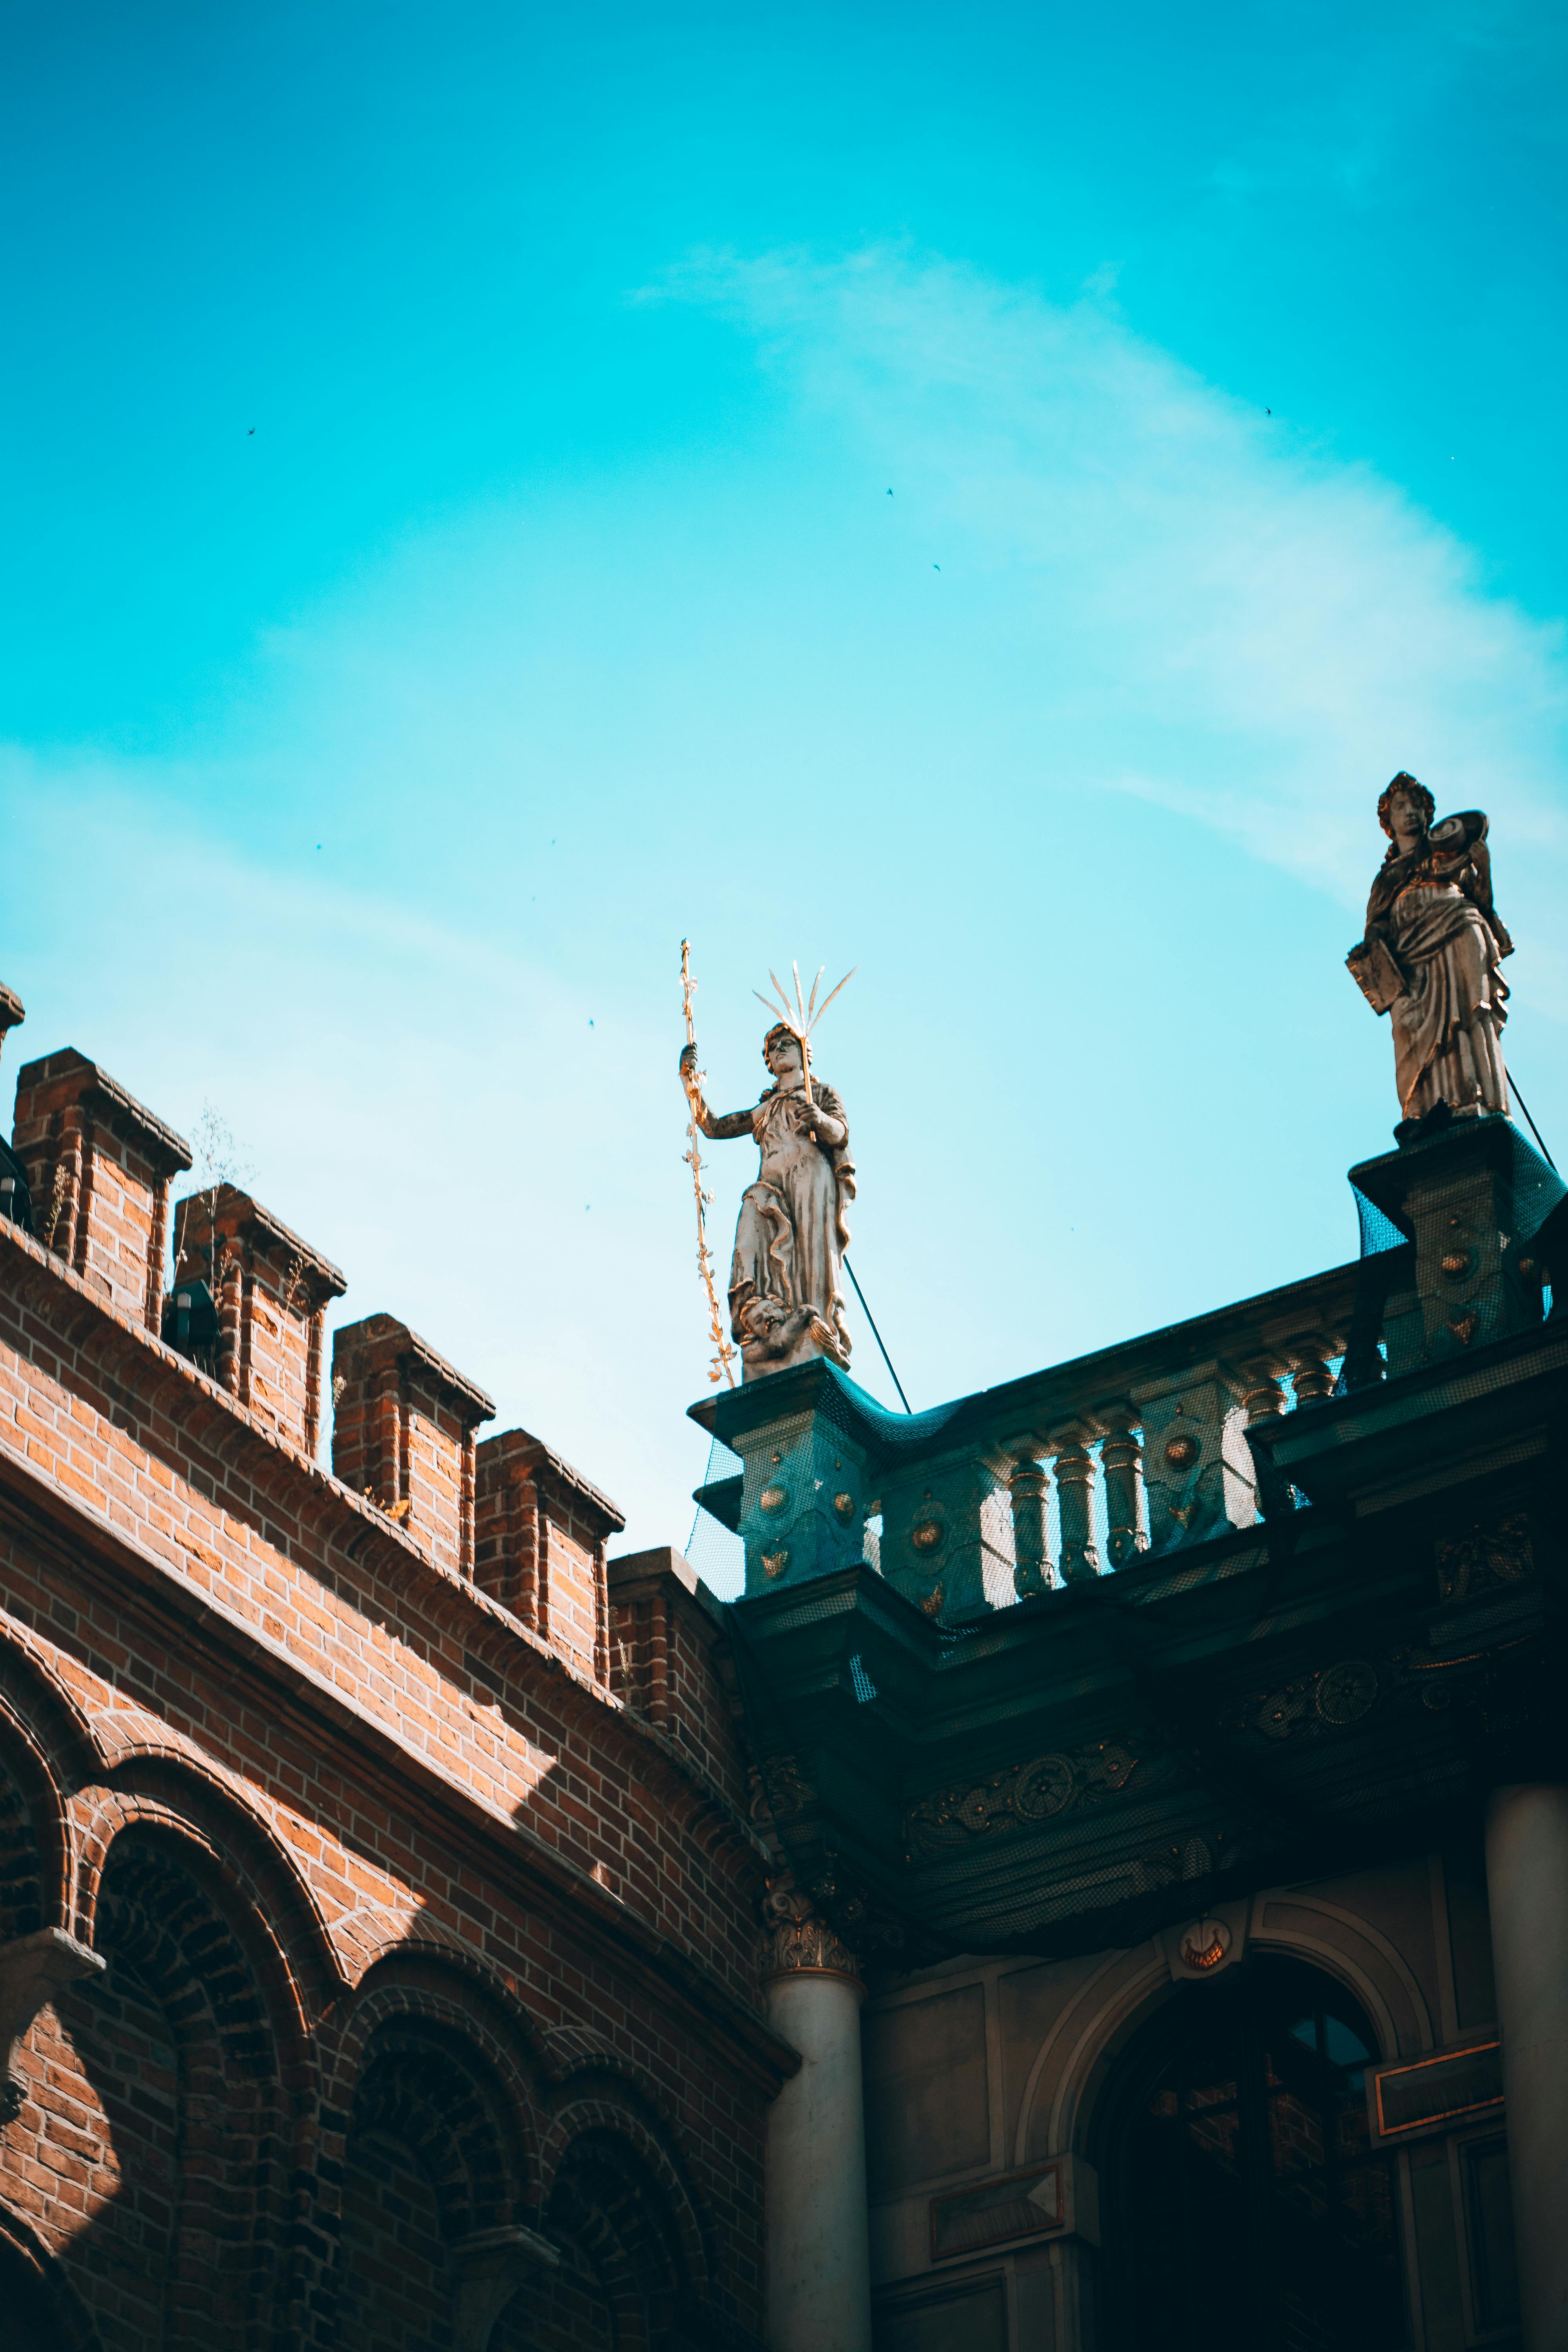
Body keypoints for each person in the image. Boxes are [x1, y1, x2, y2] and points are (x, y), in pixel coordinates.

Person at [678, 1022, 855, 1378]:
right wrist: (690, 1083)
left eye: (787, 1044)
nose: (779, 1051)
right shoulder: (767, 1107)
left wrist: (819, 1119)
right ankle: (760, 1318)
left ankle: (815, 1326)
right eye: (772, 1049)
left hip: (810, 1177)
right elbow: (716, 1127)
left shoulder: (819, 1093)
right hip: (770, 1184)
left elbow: (840, 1133)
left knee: (809, 1254)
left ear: (804, 1052)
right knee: (751, 1225)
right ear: (769, 1064)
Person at [1357, 771, 1512, 1124]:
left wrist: (1483, 867)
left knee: (1472, 1013)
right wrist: (1376, 946)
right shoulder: (1386, 879)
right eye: (1400, 807)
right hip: (1409, 955)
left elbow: (1484, 905)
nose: (1410, 812)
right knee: (1406, 1027)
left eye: (1417, 805)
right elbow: (1375, 927)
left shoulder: (1448, 855)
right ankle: (1423, 1112)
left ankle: (1477, 1099)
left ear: (1429, 815)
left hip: (1459, 927)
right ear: (1389, 821)